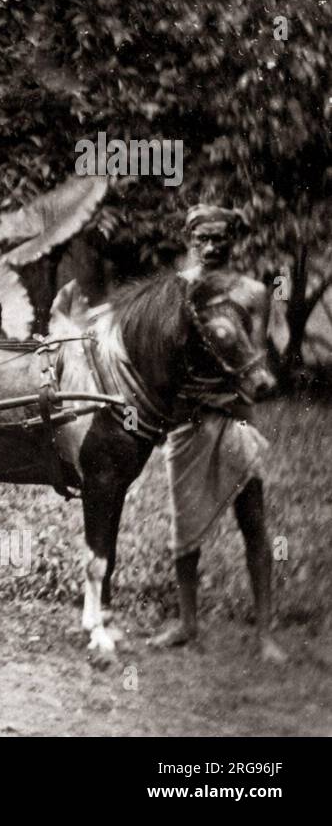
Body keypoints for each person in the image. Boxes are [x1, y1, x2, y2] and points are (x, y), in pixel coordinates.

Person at [149, 204, 287, 662]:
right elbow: (163, 357)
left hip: (234, 418)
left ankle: (265, 634)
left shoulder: (252, 293)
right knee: (185, 527)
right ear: (190, 241)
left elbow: (257, 360)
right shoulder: (178, 292)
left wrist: (241, 394)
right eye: (201, 239)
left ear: (233, 240)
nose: (210, 248)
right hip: (187, 421)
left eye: (219, 239)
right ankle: (188, 624)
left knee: (254, 522)